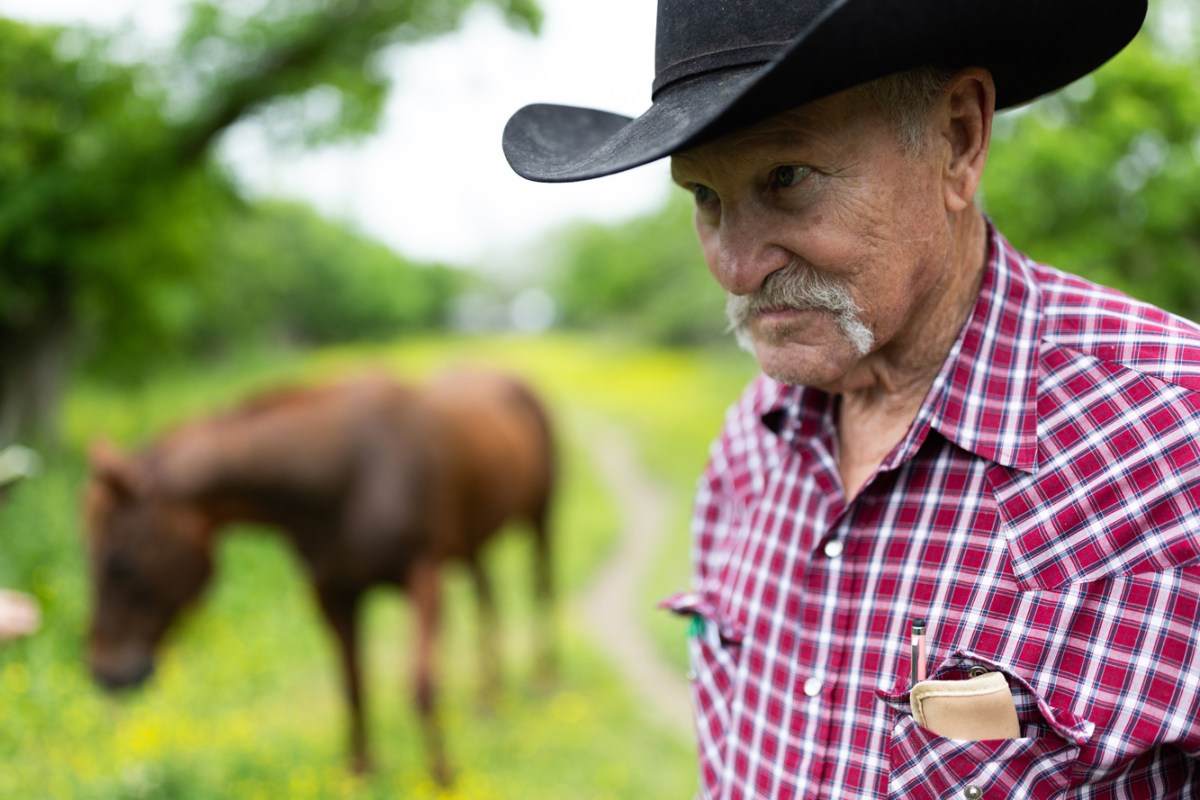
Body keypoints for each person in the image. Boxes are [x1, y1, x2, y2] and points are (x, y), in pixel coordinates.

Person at [503, 0, 1200, 797]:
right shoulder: (748, 443)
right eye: (705, 196)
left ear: (959, 139)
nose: (734, 266)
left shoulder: (1177, 439)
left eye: (786, 177)